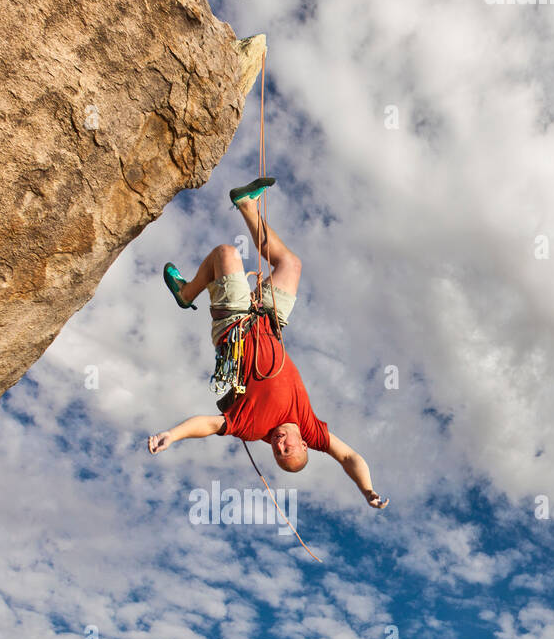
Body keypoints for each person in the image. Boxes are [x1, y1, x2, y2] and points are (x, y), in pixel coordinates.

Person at [147, 178, 387, 509]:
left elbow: (209, 424)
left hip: (235, 327)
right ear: (304, 446)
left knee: (226, 253)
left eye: (276, 453)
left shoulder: (253, 426)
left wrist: (171, 435)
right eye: (287, 450)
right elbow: (348, 456)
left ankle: (186, 293)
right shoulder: (311, 429)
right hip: (270, 322)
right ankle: (247, 205)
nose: (278, 447)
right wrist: (366, 489)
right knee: (291, 264)